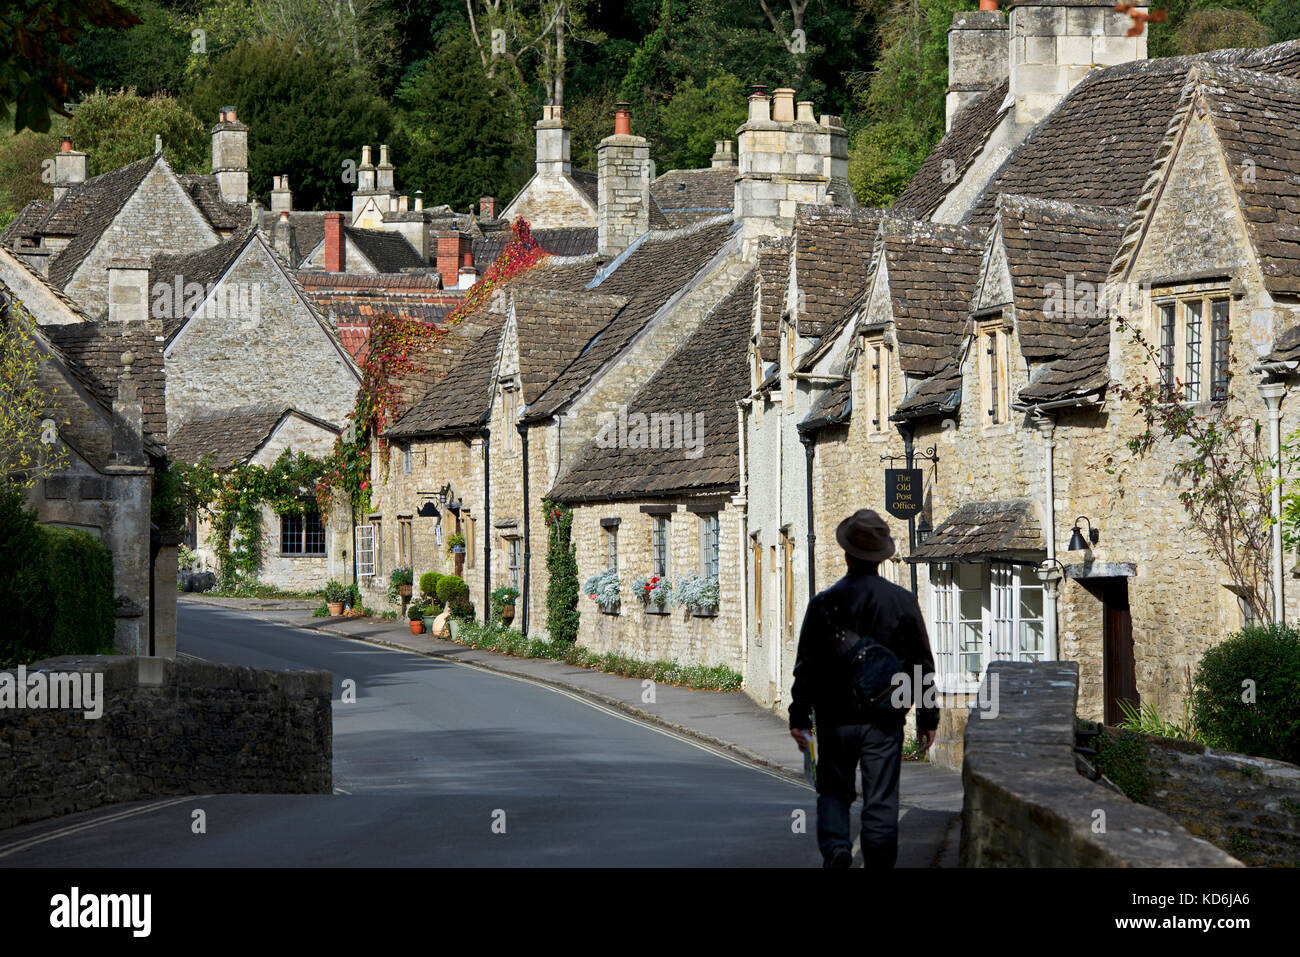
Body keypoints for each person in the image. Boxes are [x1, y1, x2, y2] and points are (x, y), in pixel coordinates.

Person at [789, 508, 939, 868]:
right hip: (885, 720)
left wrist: (799, 716)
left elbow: (806, 666)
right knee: (882, 799)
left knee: (834, 792)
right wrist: (927, 717)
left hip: (834, 718)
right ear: (881, 556)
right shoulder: (902, 602)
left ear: (846, 554)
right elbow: (921, 664)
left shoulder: (824, 603)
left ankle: (838, 849)